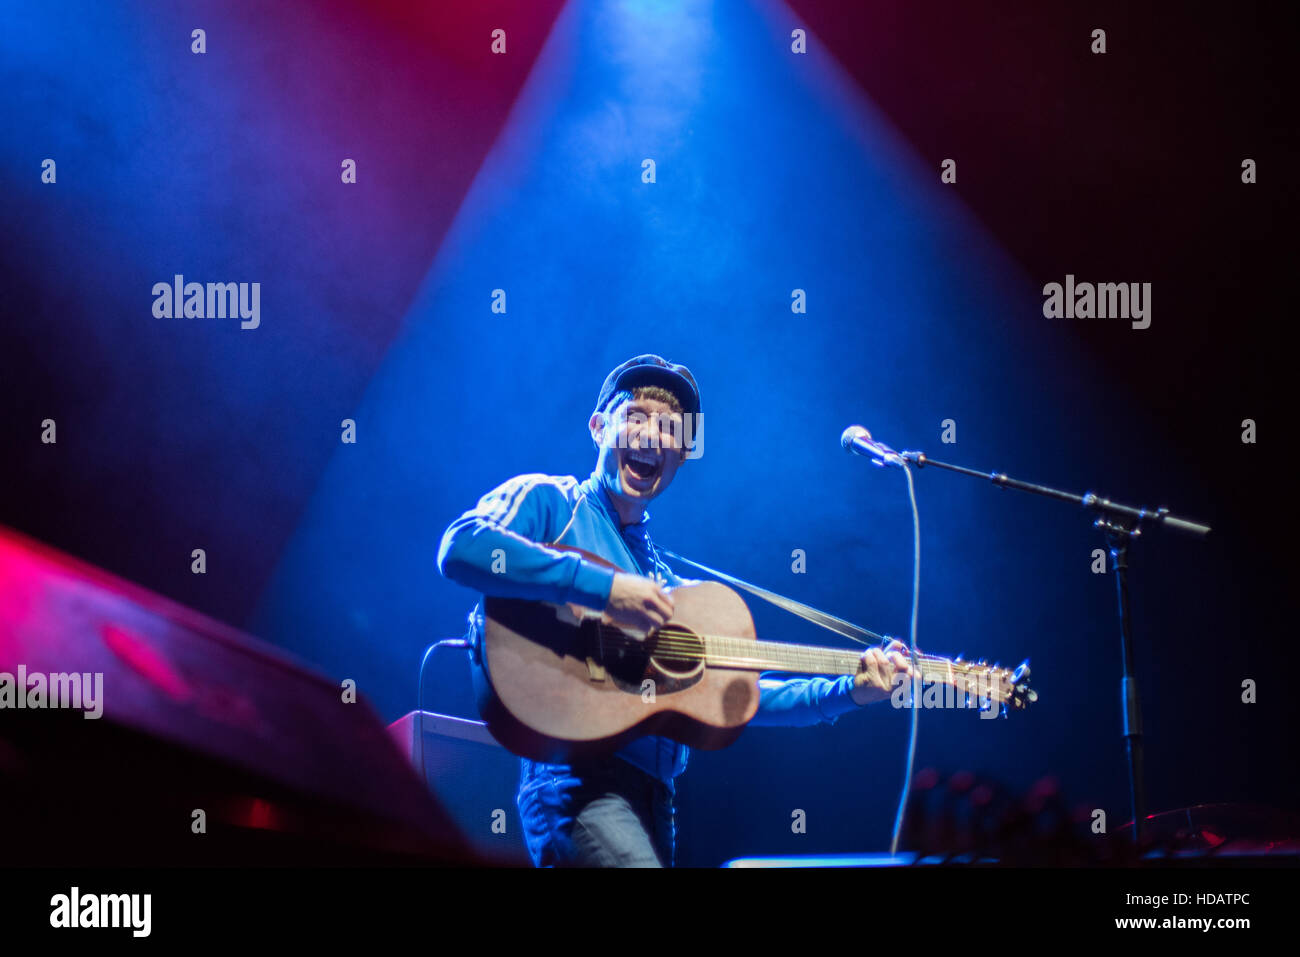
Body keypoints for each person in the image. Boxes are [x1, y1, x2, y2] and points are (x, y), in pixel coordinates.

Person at [438, 354, 913, 867]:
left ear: (682, 456)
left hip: (656, 802)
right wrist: (601, 587)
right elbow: (462, 547)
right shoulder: (552, 501)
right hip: (578, 782)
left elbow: (739, 695)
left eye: (671, 430)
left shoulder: (667, 586)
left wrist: (852, 690)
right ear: (599, 427)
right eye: (637, 417)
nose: (653, 437)